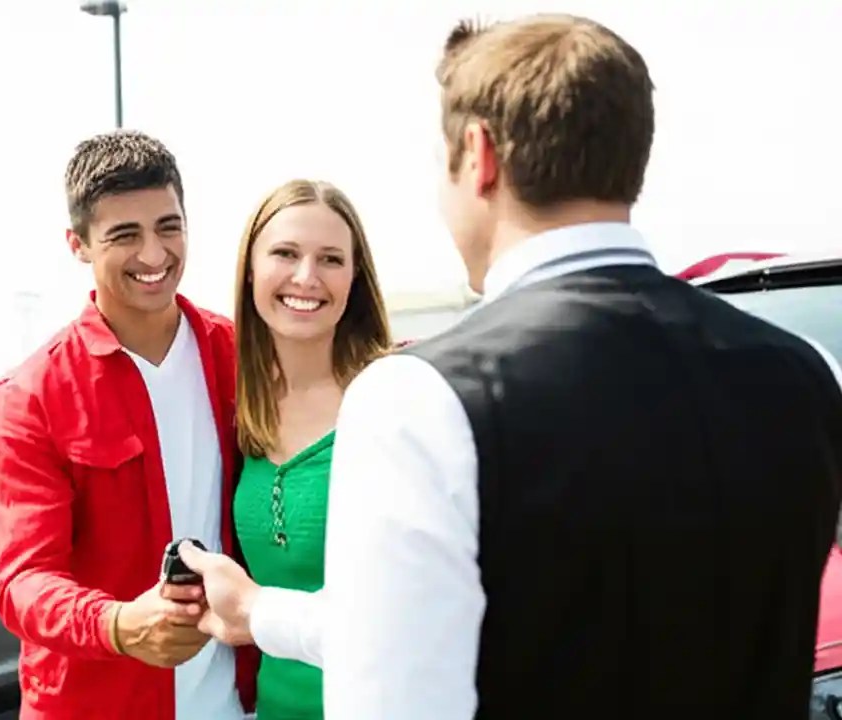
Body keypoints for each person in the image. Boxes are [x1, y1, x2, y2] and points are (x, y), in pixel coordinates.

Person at [180, 13, 842, 719]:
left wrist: (258, 612)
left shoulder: (419, 398)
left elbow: (397, 689)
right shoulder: (805, 374)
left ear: (479, 155)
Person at [0, 129, 255, 720]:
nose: (154, 255)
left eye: (168, 227)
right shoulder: (29, 396)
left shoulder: (242, 358)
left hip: (236, 704)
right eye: (124, 235)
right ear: (78, 244)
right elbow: (23, 583)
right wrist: (121, 625)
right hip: (93, 705)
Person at [228, 179, 390, 719]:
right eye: (285, 253)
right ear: (250, 268)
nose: (306, 277)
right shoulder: (241, 406)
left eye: (330, 259)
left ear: (355, 279)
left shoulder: (391, 401)